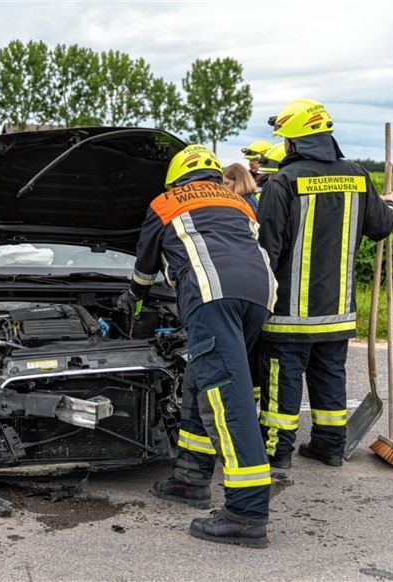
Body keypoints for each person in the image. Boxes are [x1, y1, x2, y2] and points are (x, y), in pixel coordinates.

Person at [122, 144, 277, 548]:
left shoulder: (166, 201)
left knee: (227, 398)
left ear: (177, 176)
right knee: (200, 381)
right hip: (259, 296)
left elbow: (144, 267)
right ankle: (190, 478)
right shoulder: (240, 200)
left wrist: (131, 299)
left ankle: (246, 513)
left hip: (212, 296)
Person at [256, 99, 393, 469]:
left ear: (295, 142)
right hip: (337, 313)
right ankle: (330, 446)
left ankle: (277, 450)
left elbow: (266, 248)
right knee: (330, 378)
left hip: (287, 314)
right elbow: (381, 225)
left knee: (282, 383)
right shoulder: (356, 175)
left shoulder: (283, 181)